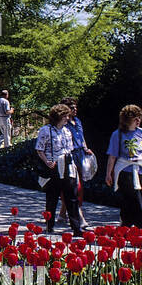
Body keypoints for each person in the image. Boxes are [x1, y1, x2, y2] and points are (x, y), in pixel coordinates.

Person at [105, 104, 142, 234]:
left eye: (139, 118)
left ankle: (122, 231)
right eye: (135, 118)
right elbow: (112, 156)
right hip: (126, 173)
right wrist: (108, 174)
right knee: (138, 205)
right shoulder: (118, 135)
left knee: (139, 203)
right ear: (127, 120)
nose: (138, 121)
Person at [36, 104, 82, 234]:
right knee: (52, 198)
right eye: (65, 116)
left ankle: (76, 227)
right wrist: (47, 162)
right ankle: (49, 226)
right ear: (58, 117)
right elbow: (39, 149)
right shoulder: (46, 130)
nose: (67, 118)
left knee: (72, 197)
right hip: (54, 167)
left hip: (67, 165)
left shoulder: (67, 131)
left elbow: (70, 149)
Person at [55, 96, 94, 226]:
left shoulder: (77, 121)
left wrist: (86, 148)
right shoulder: (63, 124)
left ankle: (62, 214)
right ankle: (78, 214)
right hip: (69, 155)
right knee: (73, 186)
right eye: (72, 108)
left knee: (78, 185)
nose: (75, 109)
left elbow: (81, 138)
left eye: (75, 107)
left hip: (80, 154)